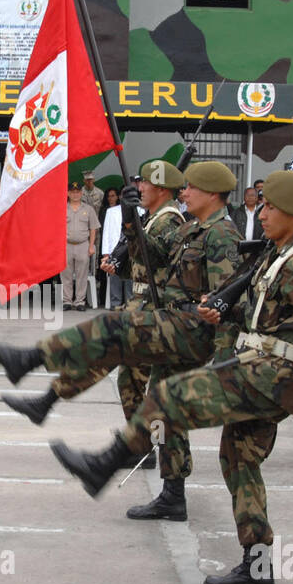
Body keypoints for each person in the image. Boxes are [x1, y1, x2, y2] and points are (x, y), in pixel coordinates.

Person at [49, 170, 293, 584]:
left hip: (273, 376)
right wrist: (224, 313)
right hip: (262, 366)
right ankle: (257, 568)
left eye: (271, 206)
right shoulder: (278, 254)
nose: (264, 211)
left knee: (170, 396)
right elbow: (267, 316)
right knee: (239, 461)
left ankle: (103, 465)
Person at [0, 161, 240, 521]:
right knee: (165, 408)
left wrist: (226, 359)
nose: (185, 192)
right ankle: (171, 494)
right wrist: (133, 220)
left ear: (212, 194)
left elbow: (229, 300)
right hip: (173, 321)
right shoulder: (194, 229)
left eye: (192, 188)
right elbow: (151, 258)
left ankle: (30, 361)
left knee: (111, 332)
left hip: (189, 329)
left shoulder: (220, 234)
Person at [101, 159, 186, 465]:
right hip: (141, 309)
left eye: (145, 183)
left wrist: (129, 221)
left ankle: (147, 447)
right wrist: (119, 265)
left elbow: (154, 258)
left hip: (155, 314)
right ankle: (142, 445)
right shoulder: (153, 218)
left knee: (142, 385)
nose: (140, 188)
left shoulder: (169, 221)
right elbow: (141, 268)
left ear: (161, 189)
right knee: (130, 382)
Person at [62, 182, 100, 310]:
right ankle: (67, 301)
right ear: (68, 193)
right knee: (66, 274)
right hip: (66, 245)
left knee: (82, 275)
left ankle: (79, 302)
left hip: (83, 245)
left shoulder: (88, 209)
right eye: (72, 192)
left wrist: (91, 246)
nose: (75, 194)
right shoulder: (62, 208)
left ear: (81, 193)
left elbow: (93, 228)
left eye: (77, 192)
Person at [100, 186, 131, 309]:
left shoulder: (139, 210)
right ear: (120, 197)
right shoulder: (111, 211)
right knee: (115, 277)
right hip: (114, 249)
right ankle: (115, 304)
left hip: (131, 249)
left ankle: (130, 304)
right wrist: (106, 253)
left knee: (130, 278)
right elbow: (106, 232)